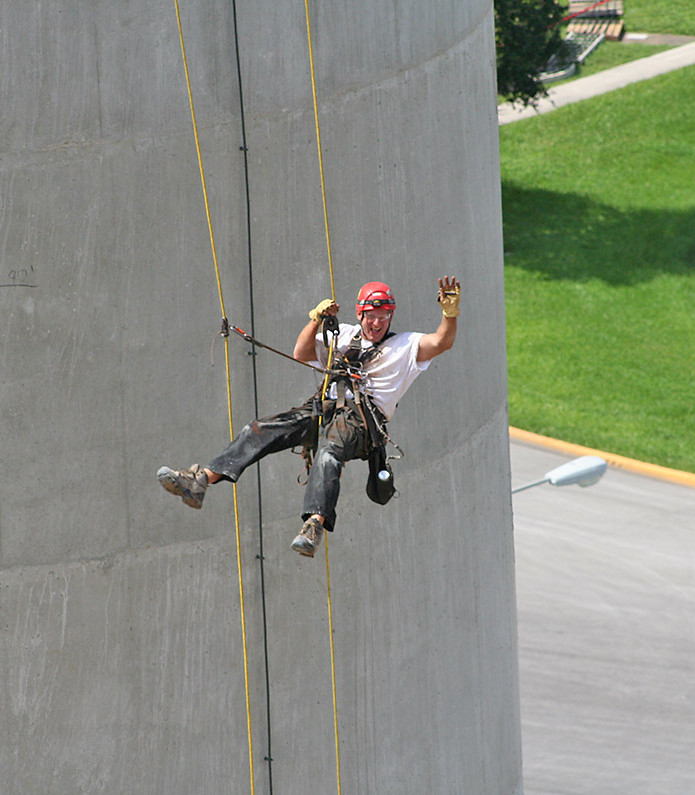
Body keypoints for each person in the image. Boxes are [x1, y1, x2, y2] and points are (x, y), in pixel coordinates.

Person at [157, 276, 460, 557]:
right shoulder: (344, 335)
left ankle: (314, 523)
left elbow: (441, 342)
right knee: (260, 429)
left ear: (390, 317)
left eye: (383, 318)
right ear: (359, 314)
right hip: (323, 409)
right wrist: (315, 321)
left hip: (360, 422)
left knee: (330, 452)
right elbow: (302, 353)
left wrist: (450, 314)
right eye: (371, 316)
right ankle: (200, 482)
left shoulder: (405, 346)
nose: (377, 323)